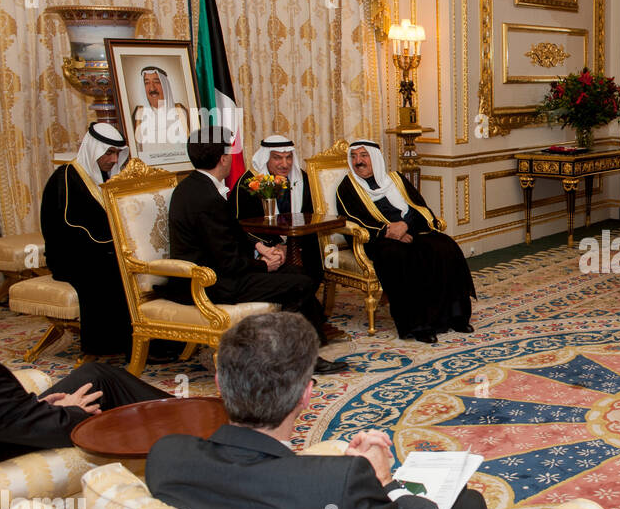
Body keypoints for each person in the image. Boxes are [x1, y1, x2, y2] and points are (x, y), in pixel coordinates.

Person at [145, 313, 493, 509]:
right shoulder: (336, 485)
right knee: (469, 508)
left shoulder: (167, 457)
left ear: (219, 384)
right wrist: (387, 484)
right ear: (306, 397)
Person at [165, 126, 346, 375]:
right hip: (210, 282)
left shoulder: (191, 187)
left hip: (215, 271)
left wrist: (259, 246)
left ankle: (300, 353)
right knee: (299, 283)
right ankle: (294, 360)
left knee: (294, 271)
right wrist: (264, 265)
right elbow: (227, 261)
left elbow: (227, 235)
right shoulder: (207, 199)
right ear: (223, 158)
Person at [335, 141, 475, 344]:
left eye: (363, 155)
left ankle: (456, 316)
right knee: (401, 256)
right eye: (354, 156)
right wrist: (389, 231)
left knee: (445, 246)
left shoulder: (396, 179)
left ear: (375, 158)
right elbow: (352, 219)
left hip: (410, 230)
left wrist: (405, 227)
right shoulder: (348, 187)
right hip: (379, 239)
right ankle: (418, 325)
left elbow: (418, 206)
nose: (358, 161)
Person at [39, 122, 132, 354]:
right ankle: (106, 345)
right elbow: (71, 227)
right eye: (109, 152)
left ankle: (143, 338)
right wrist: (113, 245)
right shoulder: (67, 177)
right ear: (94, 149)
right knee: (109, 271)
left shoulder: (104, 176)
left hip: (101, 250)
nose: (113, 159)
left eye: (117, 153)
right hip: (70, 255)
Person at [0, 357, 167, 466]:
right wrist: (72, 409)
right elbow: (58, 429)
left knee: (94, 375)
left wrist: (33, 407)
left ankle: (186, 415)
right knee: (97, 386)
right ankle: (187, 428)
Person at [231, 134, 322, 284]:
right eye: (277, 158)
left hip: (298, 242)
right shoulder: (249, 183)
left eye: (289, 157)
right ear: (266, 158)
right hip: (264, 246)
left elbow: (309, 215)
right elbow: (240, 224)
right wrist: (276, 244)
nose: (285, 164)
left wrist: (290, 243)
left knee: (314, 262)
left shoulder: (302, 179)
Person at [131, 65, 190, 164]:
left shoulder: (181, 112)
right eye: (147, 83)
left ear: (165, 85)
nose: (152, 88)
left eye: (157, 82)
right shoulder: (139, 114)